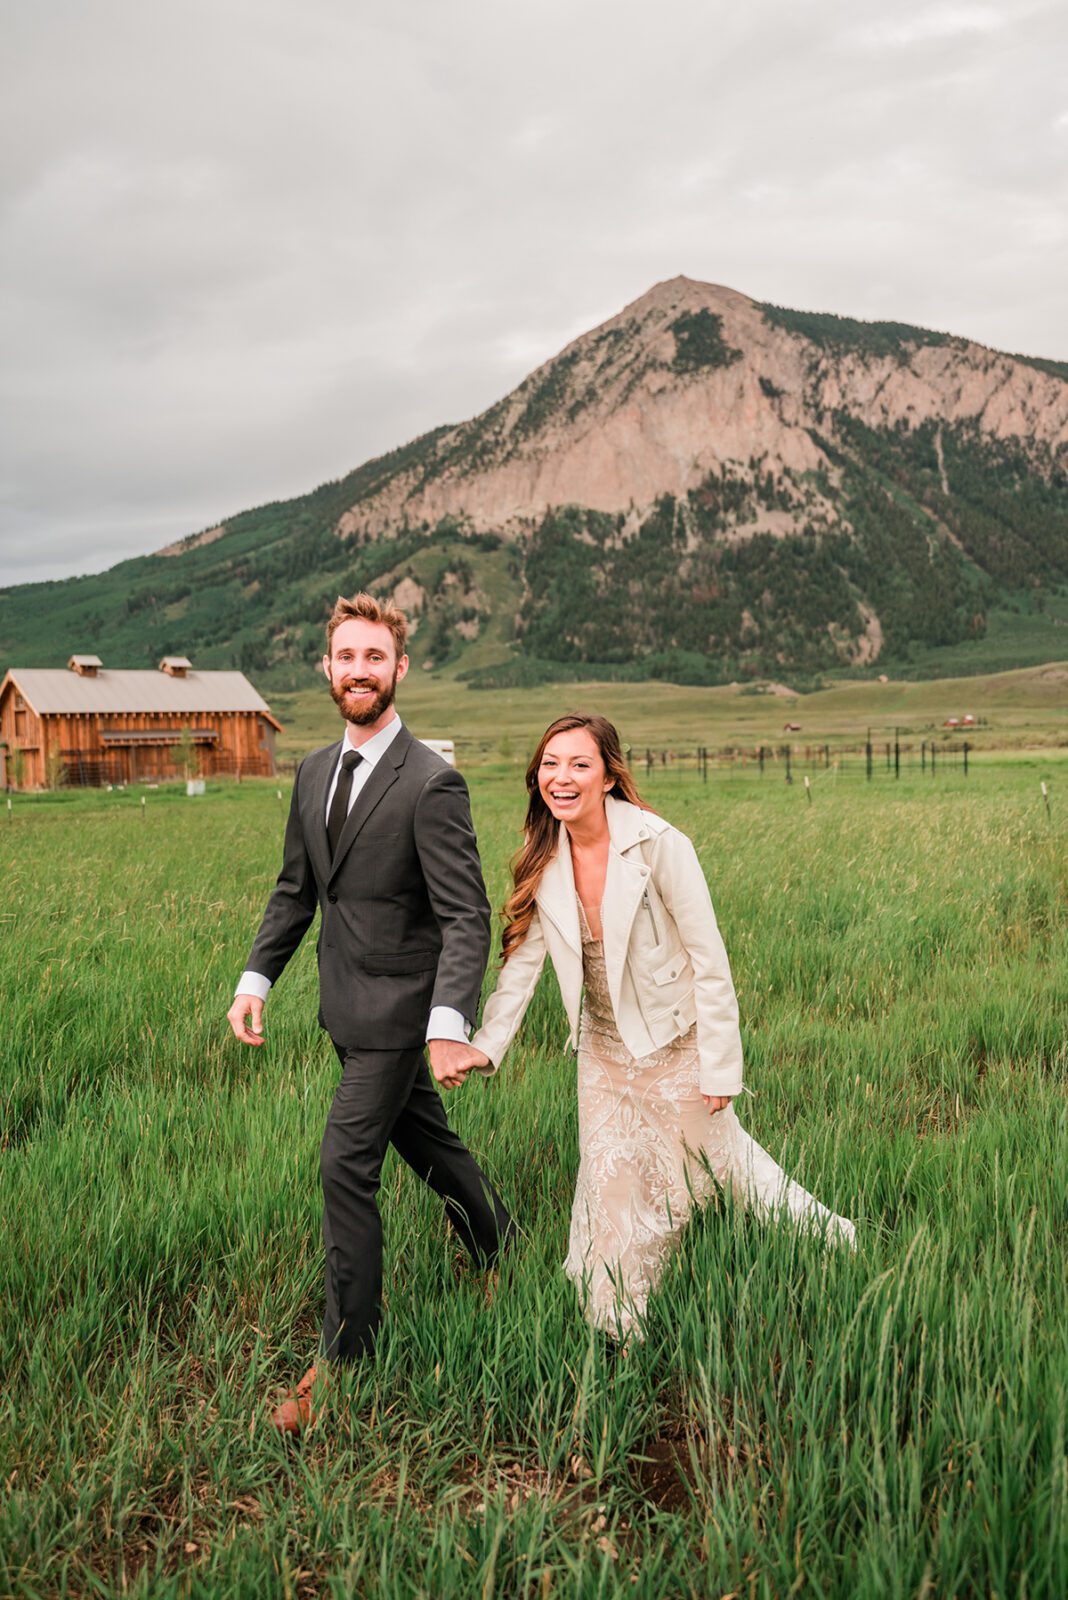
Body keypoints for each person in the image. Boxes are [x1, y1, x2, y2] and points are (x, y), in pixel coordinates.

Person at [448, 713, 854, 1339]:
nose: (562, 777)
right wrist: (487, 1046)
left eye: (579, 764)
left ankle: (836, 1245)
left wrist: (720, 1067)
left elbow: (710, 963)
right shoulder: (544, 854)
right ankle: (616, 1322)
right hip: (603, 1054)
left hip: (675, 1049)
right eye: (550, 764)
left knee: (729, 1171)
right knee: (610, 1179)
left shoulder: (660, 844)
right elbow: (523, 965)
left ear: (608, 776)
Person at [227, 592, 515, 1432]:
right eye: (346, 657)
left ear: (400, 669)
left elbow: (467, 915)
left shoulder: (431, 781)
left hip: (401, 1020)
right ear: (328, 667)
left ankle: (345, 1359)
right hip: (341, 1011)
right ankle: (497, 1241)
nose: (360, 670)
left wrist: (447, 1023)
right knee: (423, 1140)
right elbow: (296, 890)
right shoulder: (314, 770)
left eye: (375, 658)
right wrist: (257, 978)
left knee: (342, 1165)